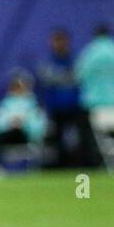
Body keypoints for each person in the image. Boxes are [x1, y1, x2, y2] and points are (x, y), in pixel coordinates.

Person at [74, 23, 114, 166]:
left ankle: (95, 163)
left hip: (93, 101)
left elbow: (79, 74)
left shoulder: (91, 51)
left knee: (92, 136)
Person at [36, 28, 85, 168]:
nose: (57, 44)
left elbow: (78, 77)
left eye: (60, 41)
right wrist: (66, 77)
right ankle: (59, 166)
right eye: (55, 41)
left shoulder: (75, 59)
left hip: (74, 105)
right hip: (55, 106)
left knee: (78, 137)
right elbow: (47, 77)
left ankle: (80, 164)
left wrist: (62, 77)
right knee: (56, 139)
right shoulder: (48, 61)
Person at [0, 75, 47, 166]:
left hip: (26, 134)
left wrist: (25, 124)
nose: (18, 90)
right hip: (9, 133)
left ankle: (36, 166)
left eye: (20, 87)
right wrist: (10, 123)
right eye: (16, 87)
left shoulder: (32, 103)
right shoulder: (6, 103)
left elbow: (38, 122)